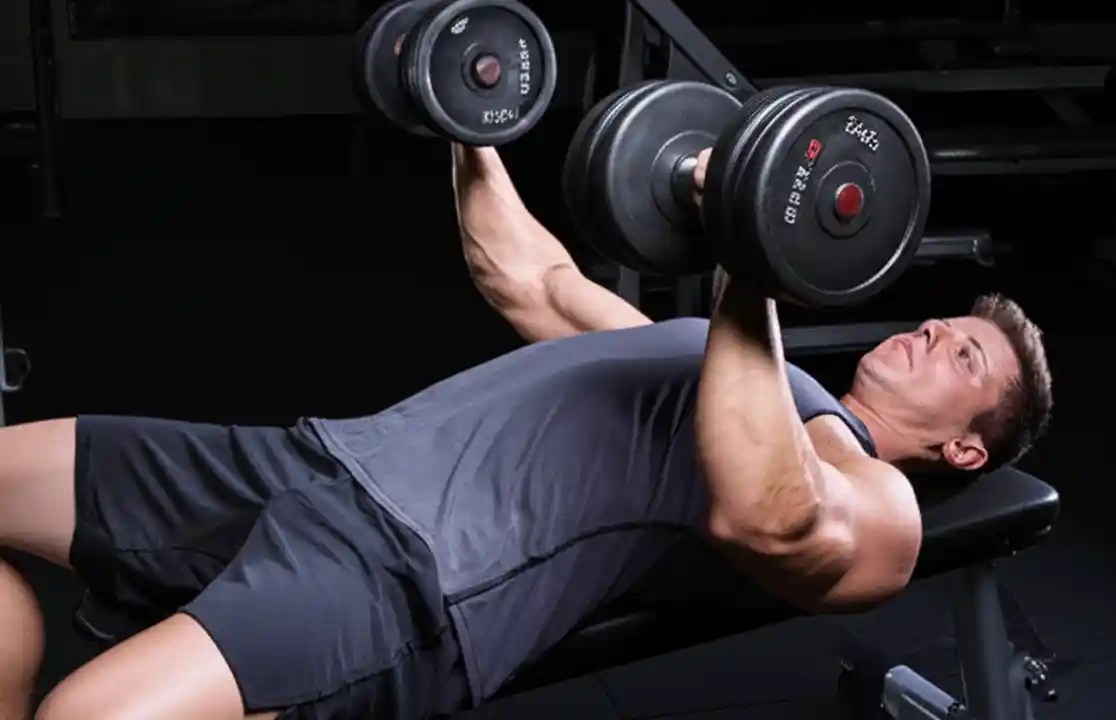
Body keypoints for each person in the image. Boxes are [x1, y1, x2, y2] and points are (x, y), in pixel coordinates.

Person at [0, 143, 1053, 720]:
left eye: (963, 355)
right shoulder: (729, 356)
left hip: (405, 576)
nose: (929, 331)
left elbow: (766, 515)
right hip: (315, 459)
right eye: (938, 318)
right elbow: (530, 276)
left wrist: (752, 252)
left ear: (964, 448)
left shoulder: (871, 498)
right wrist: (469, 111)